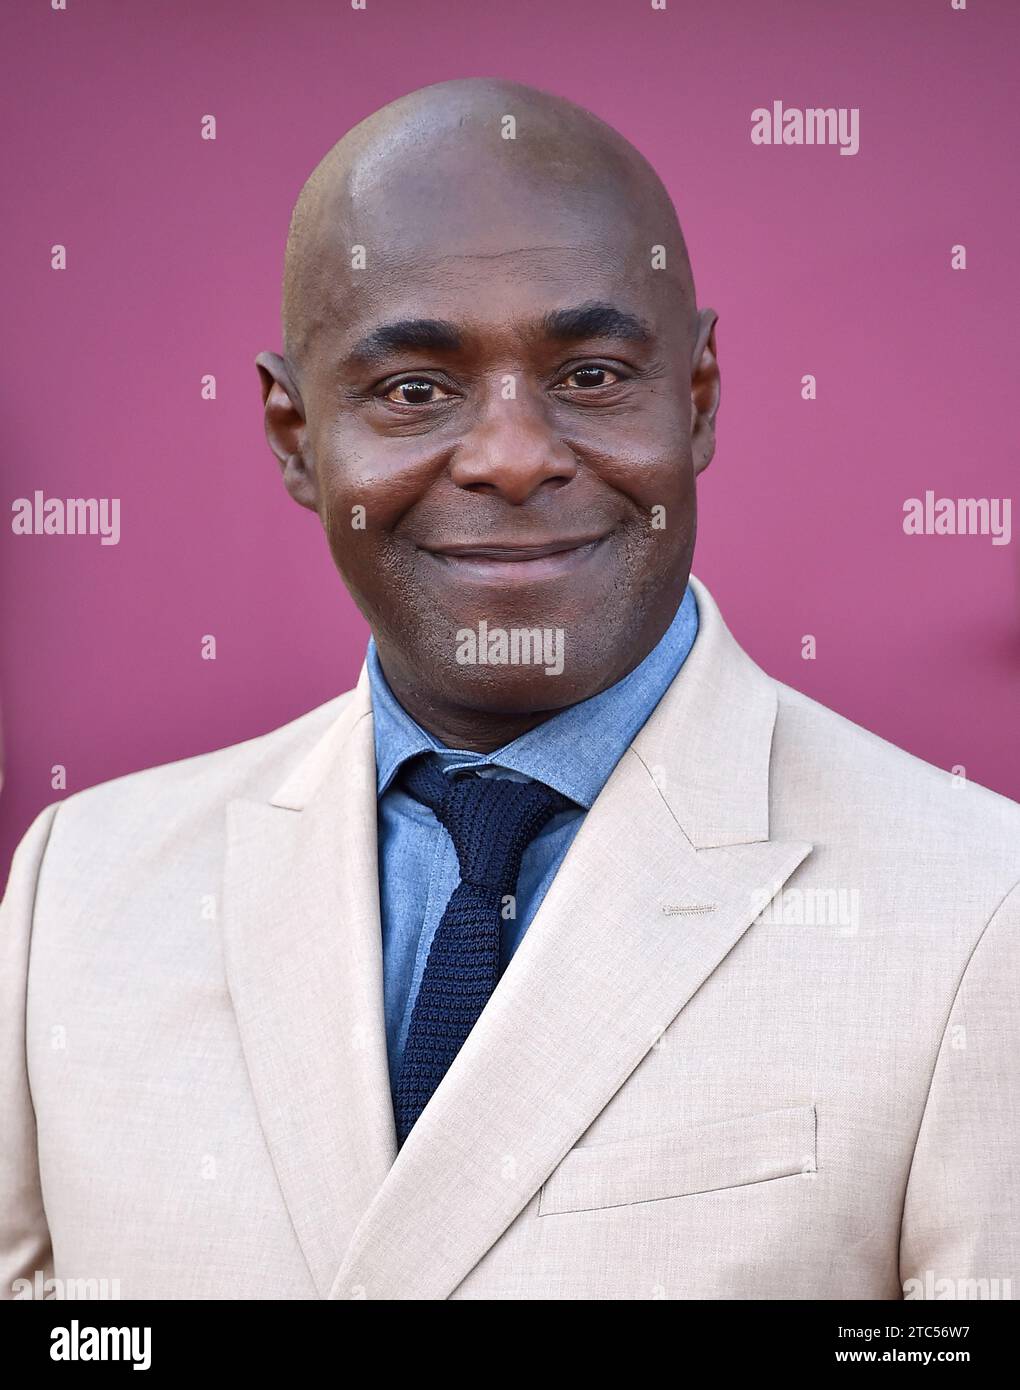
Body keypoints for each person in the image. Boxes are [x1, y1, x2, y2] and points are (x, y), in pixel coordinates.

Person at [2, 78, 1018, 1302]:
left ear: (694, 399)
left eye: (590, 375)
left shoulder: (978, 910)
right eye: (414, 390)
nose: (514, 455)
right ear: (293, 435)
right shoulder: (79, 892)